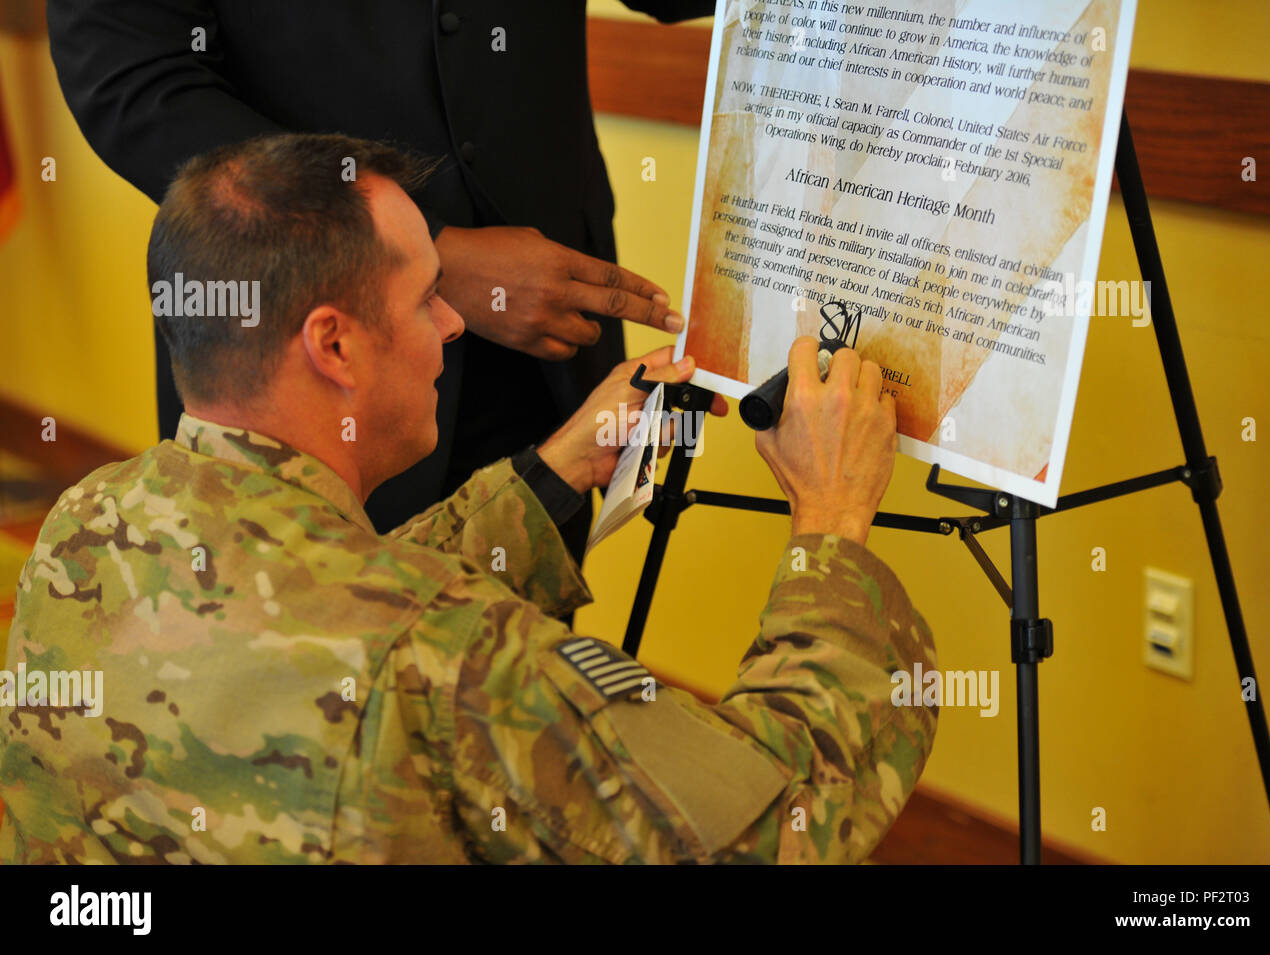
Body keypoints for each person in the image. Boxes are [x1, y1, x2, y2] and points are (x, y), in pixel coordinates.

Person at [0, 134, 937, 864]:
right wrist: (831, 522)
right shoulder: (458, 660)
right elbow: (785, 827)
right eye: (426, 298)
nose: (453, 324)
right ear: (334, 346)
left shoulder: (85, 522)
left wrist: (555, 470)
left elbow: (330, 604)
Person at [45, 0, 716, 549]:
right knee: (298, 647)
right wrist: (433, 255)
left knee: (517, 645)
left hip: (540, 346)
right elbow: (130, 79)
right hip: (297, 355)